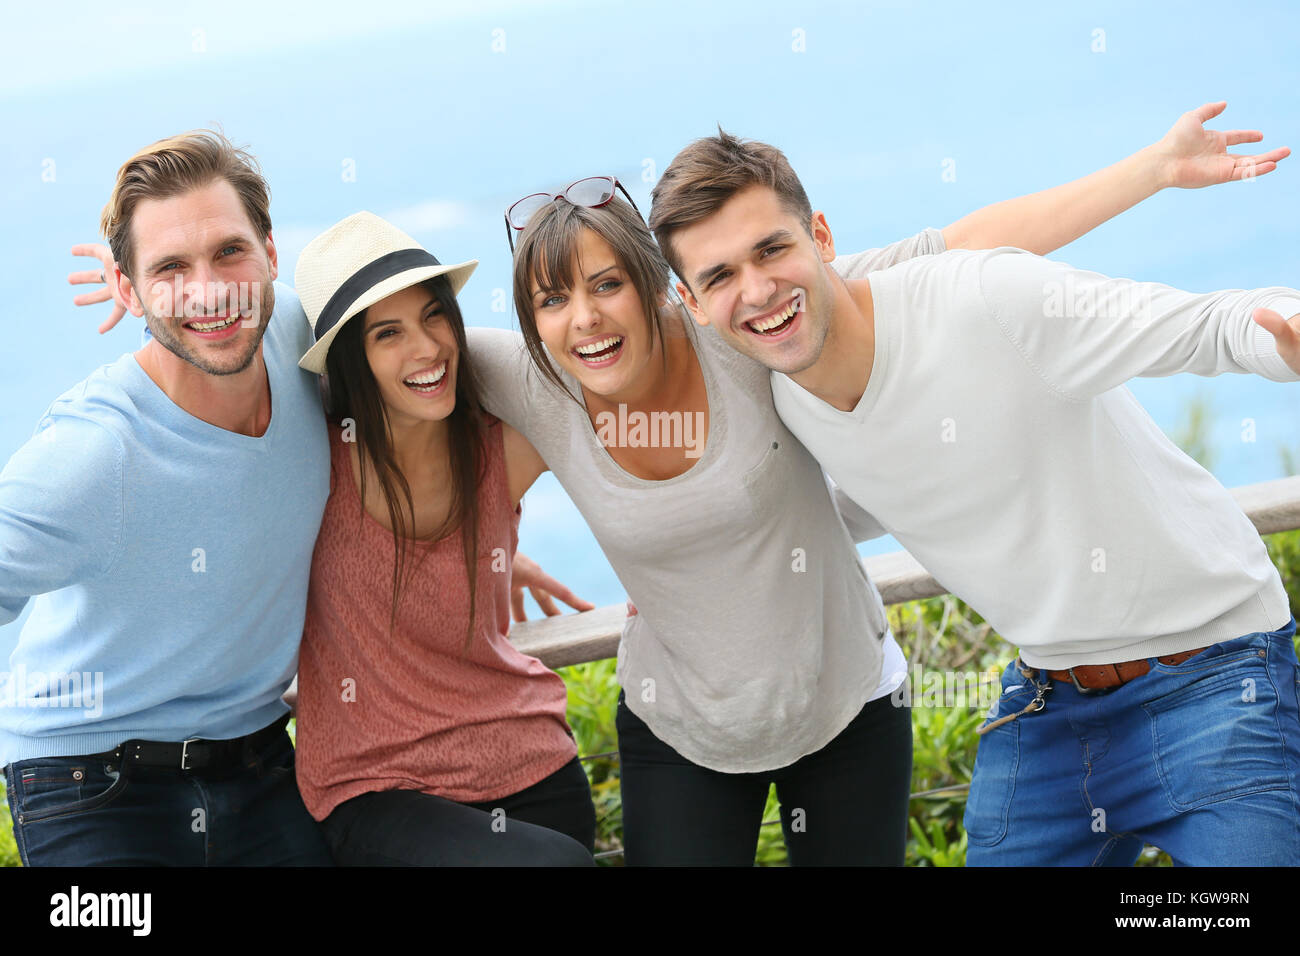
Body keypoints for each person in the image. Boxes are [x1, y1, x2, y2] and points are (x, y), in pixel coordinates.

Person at [465, 104, 1285, 865]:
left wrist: (1158, 176)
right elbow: (404, 355)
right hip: (996, 704)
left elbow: (981, 252)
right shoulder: (665, 380)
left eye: (608, 283)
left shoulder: (854, 310)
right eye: (552, 299)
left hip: (1158, 677)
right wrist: (504, 546)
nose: (585, 317)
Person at [289, 211, 594, 865]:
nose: (427, 348)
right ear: (351, 359)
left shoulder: (502, 451)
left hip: (533, 767)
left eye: (434, 316)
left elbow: (595, 381)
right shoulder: (314, 469)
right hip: (376, 788)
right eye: (387, 333)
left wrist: (498, 557)